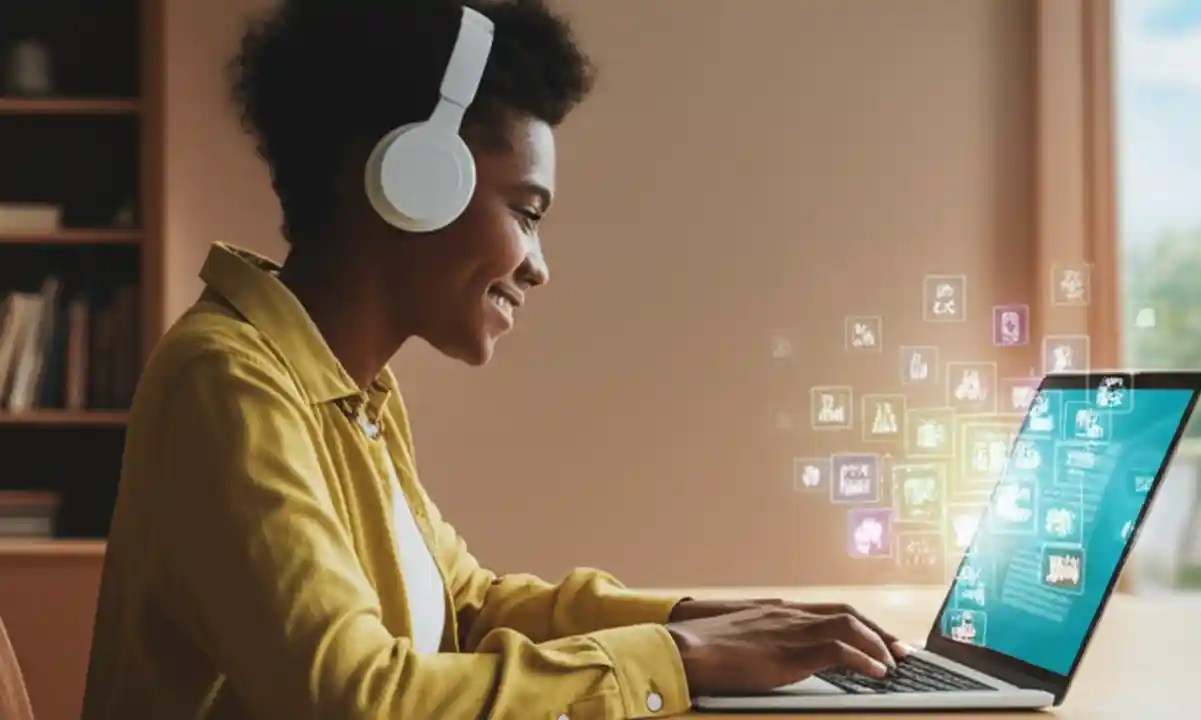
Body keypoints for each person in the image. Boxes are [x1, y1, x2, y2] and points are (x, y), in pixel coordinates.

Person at [79, 1, 907, 718]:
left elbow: (468, 608)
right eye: (527, 212)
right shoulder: (227, 382)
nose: (538, 267)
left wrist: (706, 621)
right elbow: (355, 697)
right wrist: (678, 658)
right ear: (416, 181)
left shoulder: (349, 393)